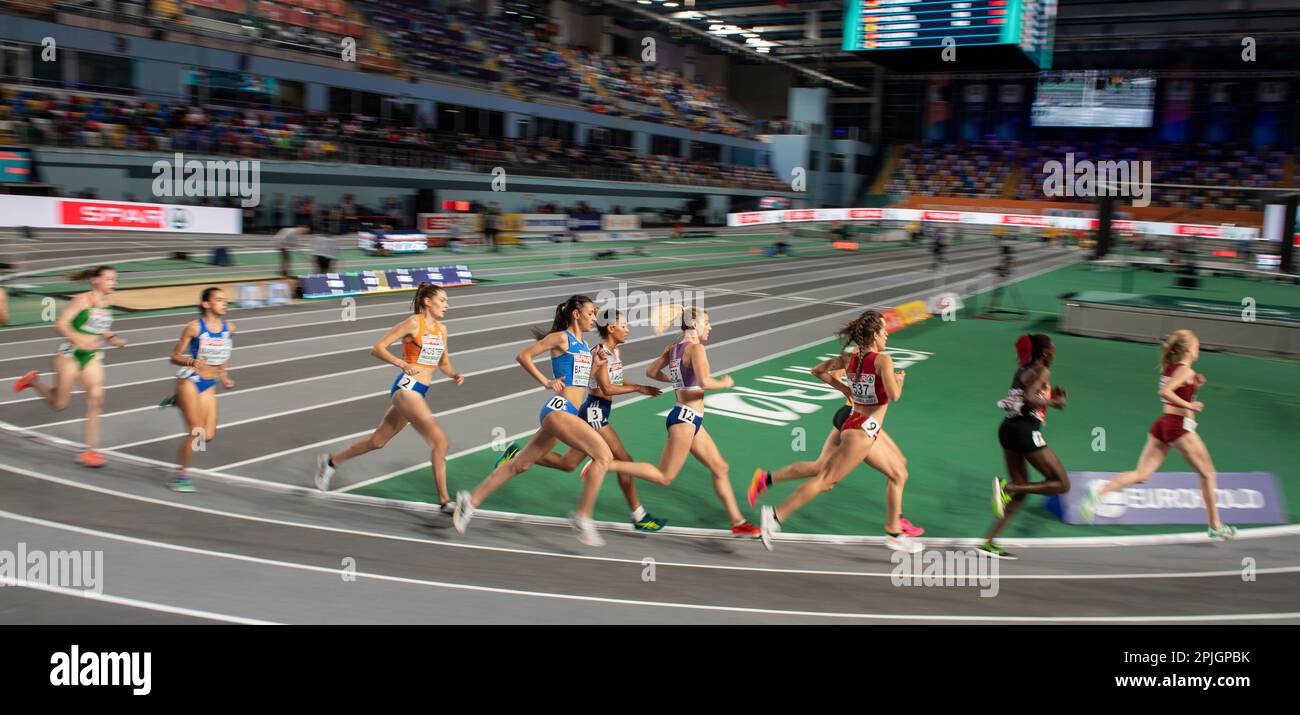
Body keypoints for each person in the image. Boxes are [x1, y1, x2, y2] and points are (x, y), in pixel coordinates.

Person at [454, 295, 667, 546]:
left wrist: (597, 365)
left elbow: (581, 381)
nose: (593, 318)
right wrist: (546, 381)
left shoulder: (583, 345)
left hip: (568, 413)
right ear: (576, 314)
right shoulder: (561, 338)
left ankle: (469, 501)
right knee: (604, 455)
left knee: (520, 465)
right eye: (589, 313)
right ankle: (582, 516)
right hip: (559, 409)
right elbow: (523, 356)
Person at [756, 310, 919, 553]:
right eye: (883, 329)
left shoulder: (850, 358)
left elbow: (817, 371)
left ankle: (895, 530)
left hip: (858, 424)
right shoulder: (882, 360)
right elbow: (894, 396)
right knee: (825, 481)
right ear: (874, 335)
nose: (887, 333)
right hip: (861, 433)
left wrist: (846, 390)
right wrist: (900, 380)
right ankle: (775, 516)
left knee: (899, 474)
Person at [315, 283, 463, 511]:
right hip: (407, 389)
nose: (447, 305)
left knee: (378, 441)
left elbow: (443, 362)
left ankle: (330, 461)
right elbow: (378, 348)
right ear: (427, 302)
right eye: (443, 300)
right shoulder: (414, 323)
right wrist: (402, 363)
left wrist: (453, 373)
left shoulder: (442, 330)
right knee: (441, 442)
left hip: (419, 390)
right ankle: (444, 501)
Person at [1081, 330, 1237, 540]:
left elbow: (1174, 392)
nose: (1199, 349)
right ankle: (1215, 526)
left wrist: (1194, 387)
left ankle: (1097, 494)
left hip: (1163, 425)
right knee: (1208, 474)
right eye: (1197, 345)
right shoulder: (1183, 371)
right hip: (1178, 427)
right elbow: (1165, 393)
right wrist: (1189, 403)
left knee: (1142, 475)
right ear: (1189, 350)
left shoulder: (1172, 369)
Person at [528, 310, 669, 531]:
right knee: (625, 460)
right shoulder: (600, 352)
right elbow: (607, 387)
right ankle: (639, 515)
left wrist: (634, 386)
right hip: (595, 412)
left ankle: (519, 456)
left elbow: (618, 380)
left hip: (596, 411)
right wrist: (640, 388)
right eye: (624, 325)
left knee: (568, 464)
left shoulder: (615, 351)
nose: (628, 329)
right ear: (611, 328)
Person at [643, 304, 762, 537]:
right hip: (685, 420)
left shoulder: (674, 347)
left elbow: (651, 373)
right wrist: (725, 383)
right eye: (707, 322)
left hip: (690, 418)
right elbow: (706, 382)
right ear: (695, 324)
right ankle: (609, 465)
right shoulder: (696, 348)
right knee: (665, 477)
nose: (710, 326)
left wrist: (676, 381)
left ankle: (738, 522)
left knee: (720, 467)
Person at [14, 266, 128, 467]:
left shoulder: (106, 302)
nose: (114, 283)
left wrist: (112, 337)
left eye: (115, 279)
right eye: (110, 279)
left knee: (95, 399)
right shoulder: (82, 300)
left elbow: (100, 326)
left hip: (91, 356)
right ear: (95, 280)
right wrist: (78, 340)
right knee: (60, 405)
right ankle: (34, 381)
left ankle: (91, 451)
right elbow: (60, 324)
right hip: (70, 356)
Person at [982, 334, 1071, 560]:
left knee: (1022, 489)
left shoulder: (1021, 370)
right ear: (1043, 353)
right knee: (1061, 483)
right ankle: (1007, 488)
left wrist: (1051, 397)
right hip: (1025, 432)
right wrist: (1055, 403)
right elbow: (1030, 398)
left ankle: (989, 541)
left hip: (1007, 429)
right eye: (1052, 351)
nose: (1053, 355)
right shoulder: (1043, 371)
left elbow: (1023, 397)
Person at [163, 287, 236, 492]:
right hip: (190, 380)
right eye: (219, 300)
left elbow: (224, 355)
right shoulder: (194, 327)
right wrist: (192, 360)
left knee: (208, 435)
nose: (224, 303)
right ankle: (182, 476)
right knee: (196, 431)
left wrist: (224, 375)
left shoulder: (229, 328)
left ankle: (180, 402)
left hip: (209, 383)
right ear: (206, 304)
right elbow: (174, 357)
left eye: (226, 301)